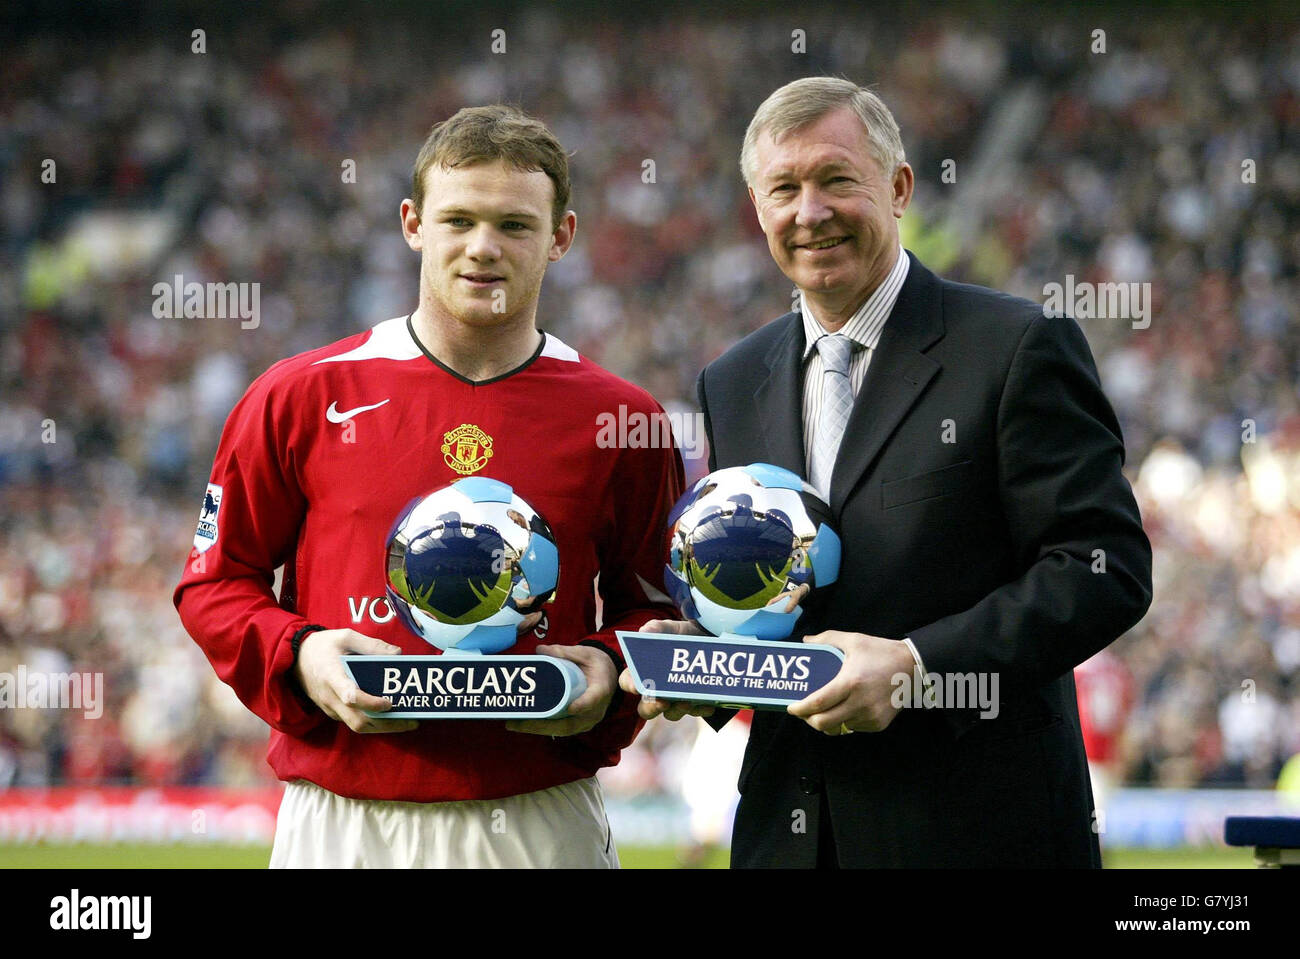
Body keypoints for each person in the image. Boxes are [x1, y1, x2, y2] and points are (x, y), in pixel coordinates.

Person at [622, 77, 1153, 867]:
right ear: (758, 208)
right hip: (787, 836)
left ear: (899, 187)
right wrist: (704, 649)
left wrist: (916, 667)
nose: (811, 211)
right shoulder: (730, 381)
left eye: (838, 179)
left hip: (975, 835)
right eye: (785, 189)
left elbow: (1101, 570)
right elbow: (782, 596)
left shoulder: (1015, 347)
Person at [175, 105, 685, 868]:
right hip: (342, 823)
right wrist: (302, 654)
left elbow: (660, 609)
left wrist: (612, 669)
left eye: (515, 225)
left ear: (561, 237)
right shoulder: (300, 395)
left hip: (541, 819)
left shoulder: (621, 419)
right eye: (459, 220)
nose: (483, 248)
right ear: (413, 223)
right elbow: (214, 585)